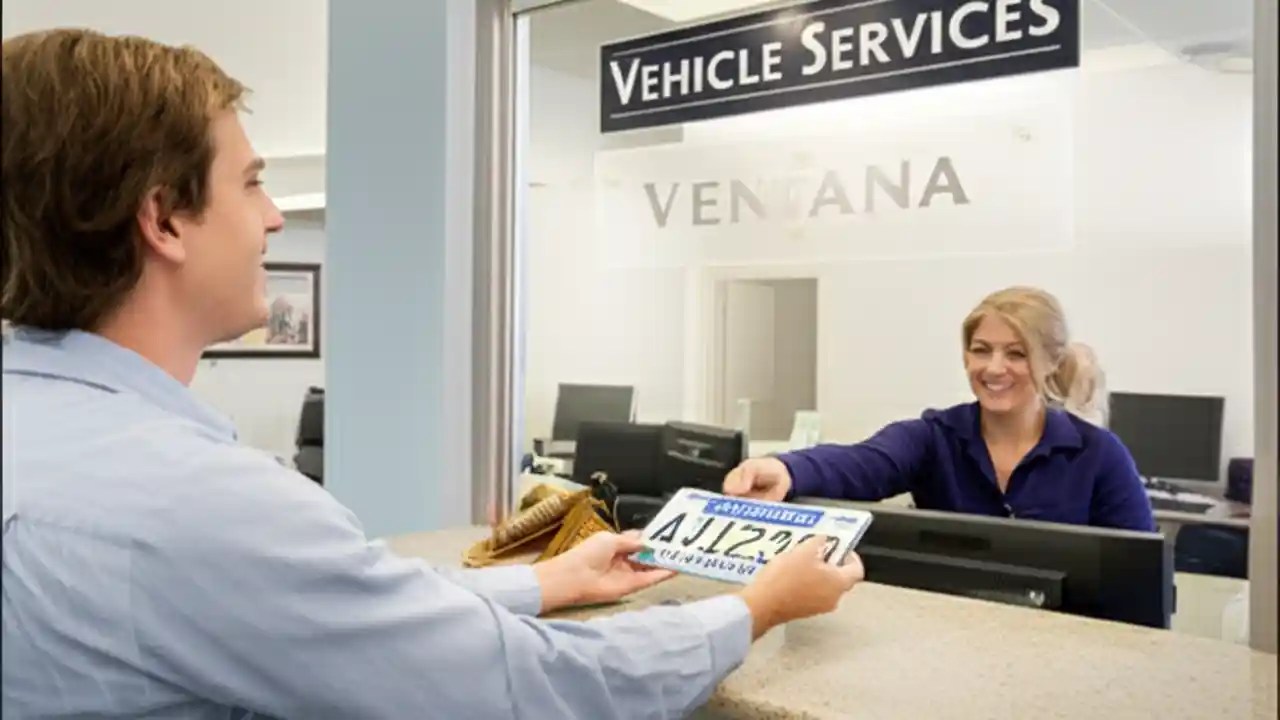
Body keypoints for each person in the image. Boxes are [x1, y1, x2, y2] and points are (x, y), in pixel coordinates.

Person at [0, 29, 865, 720]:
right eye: (252, 183)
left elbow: (324, 608)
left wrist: (543, 579)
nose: (271, 218)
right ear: (163, 219)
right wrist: (753, 609)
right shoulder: (190, 501)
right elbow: (520, 690)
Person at [723, 286, 1156, 532]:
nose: (994, 368)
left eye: (1017, 354)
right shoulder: (935, 437)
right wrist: (784, 468)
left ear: (1051, 362)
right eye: (981, 350)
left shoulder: (1099, 455)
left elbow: (1137, 575)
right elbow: (863, 462)